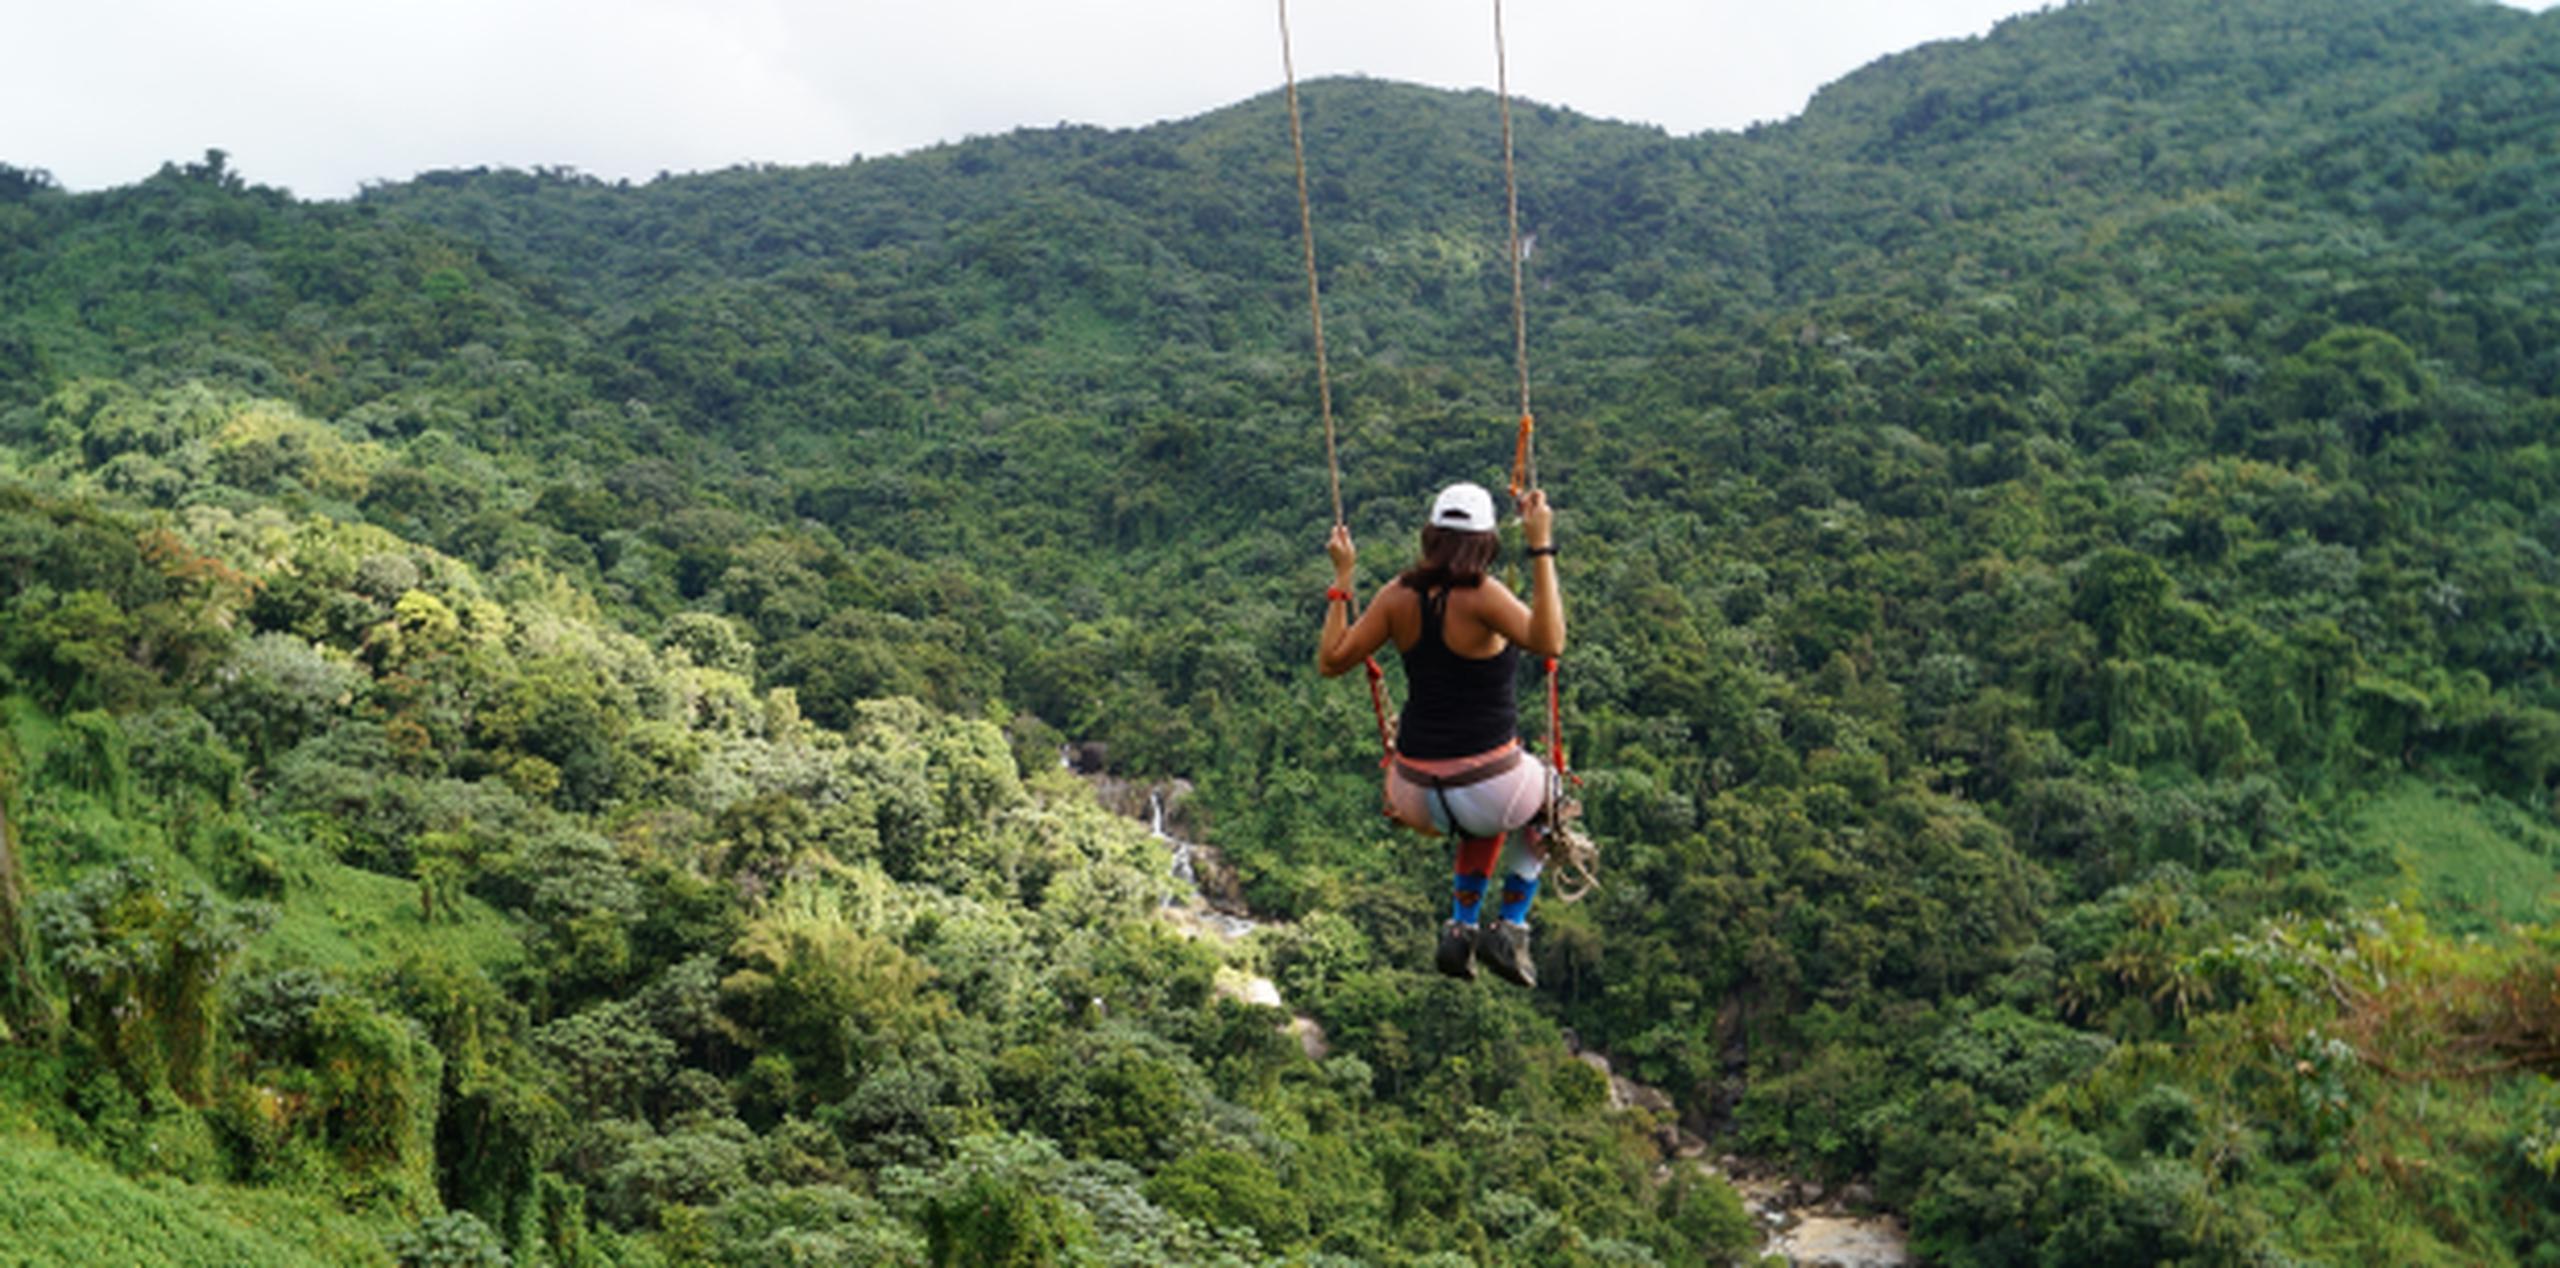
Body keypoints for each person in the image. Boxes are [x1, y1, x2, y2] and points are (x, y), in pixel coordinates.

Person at [1317, 481, 1565, 986]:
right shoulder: (1485, 597)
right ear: (1487, 542)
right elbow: (1549, 640)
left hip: (1413, 794)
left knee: (1488, 814)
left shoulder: (1397, 596)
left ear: (1430, 537)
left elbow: (1331, 660)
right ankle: (1512, 925)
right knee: (1547, 797)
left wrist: (1343, 576)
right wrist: (1541, 546)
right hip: (1491, 786)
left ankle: (1461, 927)